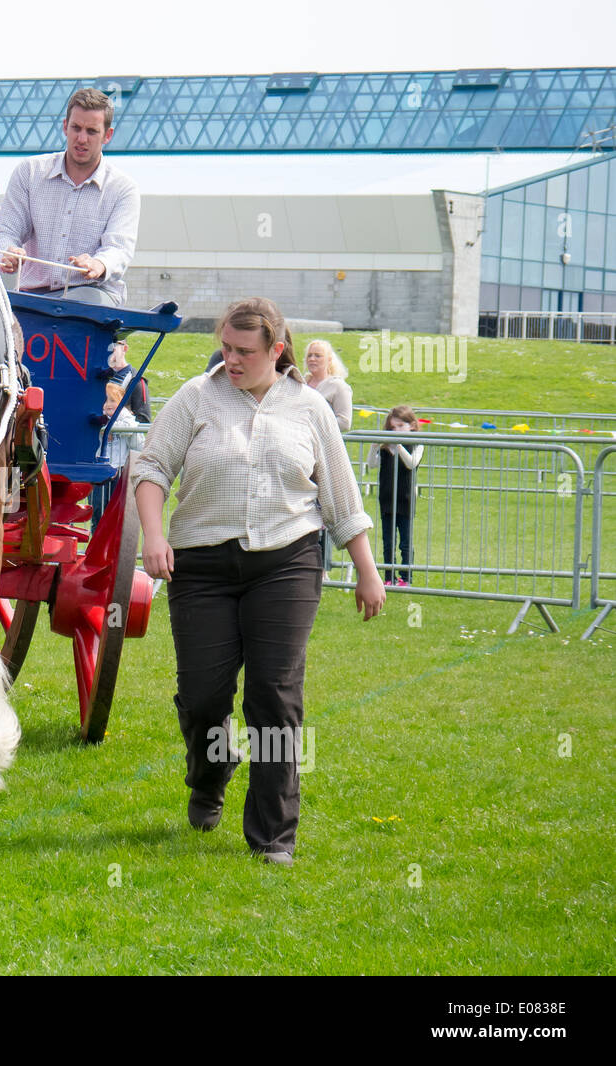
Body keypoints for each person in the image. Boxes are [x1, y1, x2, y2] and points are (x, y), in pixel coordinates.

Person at [133, 297, 386, 867]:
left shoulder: (310, 408)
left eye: (244, 351)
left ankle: (274, 835)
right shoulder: (196, 396)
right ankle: (210, 776)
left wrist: (367, 571)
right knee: (204, 698)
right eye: (225, 347)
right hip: (201, 567)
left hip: (286, 563)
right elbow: (150, 470)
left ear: (277, 349)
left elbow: (340, 497)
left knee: (273, 695)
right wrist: (154, 535)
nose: (232, 359)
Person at [0, 87, 140, 307]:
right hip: (32, 296)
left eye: (92, 131)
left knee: (78, 302)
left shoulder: (123, 189)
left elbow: (119, 249)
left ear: (107, 135)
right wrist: (9, 251)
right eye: (76, 128)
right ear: (65, 126)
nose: (82, 138)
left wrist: (99, 263)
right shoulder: (29, 172)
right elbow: (6, 231)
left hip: (93, 294)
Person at [367, 405, 424, 586]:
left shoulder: (417, 443)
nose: (396, 430)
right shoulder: (386, 447)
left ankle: (406, 577)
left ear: (412, 425)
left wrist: (398, 446)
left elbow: (411, 463)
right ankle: (389, 578)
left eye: (400, 426)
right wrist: (374, 447)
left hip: (405, 499)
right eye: (392, 427)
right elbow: (371, 464)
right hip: (387, 498)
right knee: (388, 541)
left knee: (405, 542)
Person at [304, 339, 353, 432]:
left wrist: (312, 425)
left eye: (318, 356)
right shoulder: (300, 384)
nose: (312, 359)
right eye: (309, 355)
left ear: (329, 360)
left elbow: (344, 422)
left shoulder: (338, 386)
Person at [107, 340, 152, 424]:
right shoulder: (99, 378)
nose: (109, 350)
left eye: (114, 346)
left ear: (125, 348)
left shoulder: (136, 381)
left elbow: (144, 419)